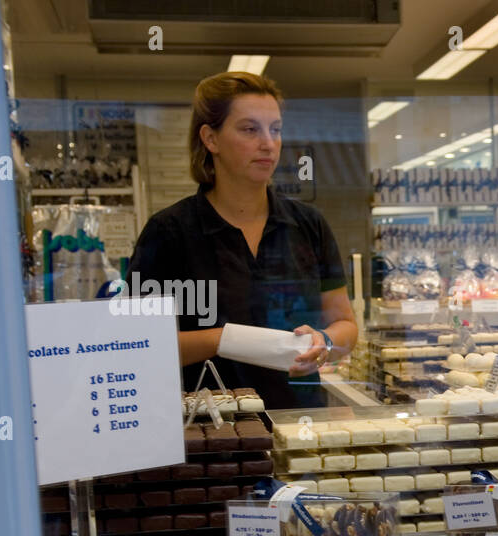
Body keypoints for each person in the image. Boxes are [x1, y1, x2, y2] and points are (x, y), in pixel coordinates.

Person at [128, 72, 358, 408]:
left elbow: (346, 325)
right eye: (250, 129)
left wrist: (323, 340)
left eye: (275, 129)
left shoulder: (309, 225)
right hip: (214, 434)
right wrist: (224, 339)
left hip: (300, 426)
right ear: (211, 139)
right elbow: (137, 345)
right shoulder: (168, 233)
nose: (268, 143)